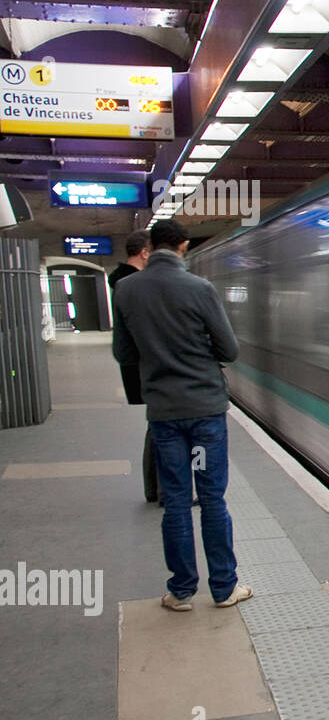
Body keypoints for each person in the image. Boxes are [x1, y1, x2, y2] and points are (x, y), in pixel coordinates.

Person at [111, 220, 252, 611]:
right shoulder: (199, 288)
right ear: (183, 247)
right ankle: (224, 589)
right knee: (212, 499)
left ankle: (181, 591)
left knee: (175, 501)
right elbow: (229, 350)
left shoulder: (125, 289)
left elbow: (123, 354)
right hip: (205, 411)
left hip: (164, 414)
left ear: (150, 247)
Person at [107, 231, 157, 503]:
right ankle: (159, 489)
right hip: (146, 367)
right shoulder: (131, 284)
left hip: (137, 365)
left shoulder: (119, 282)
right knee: (159, 427)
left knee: (156, 426)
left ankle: (155, 489)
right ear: (145, 253)